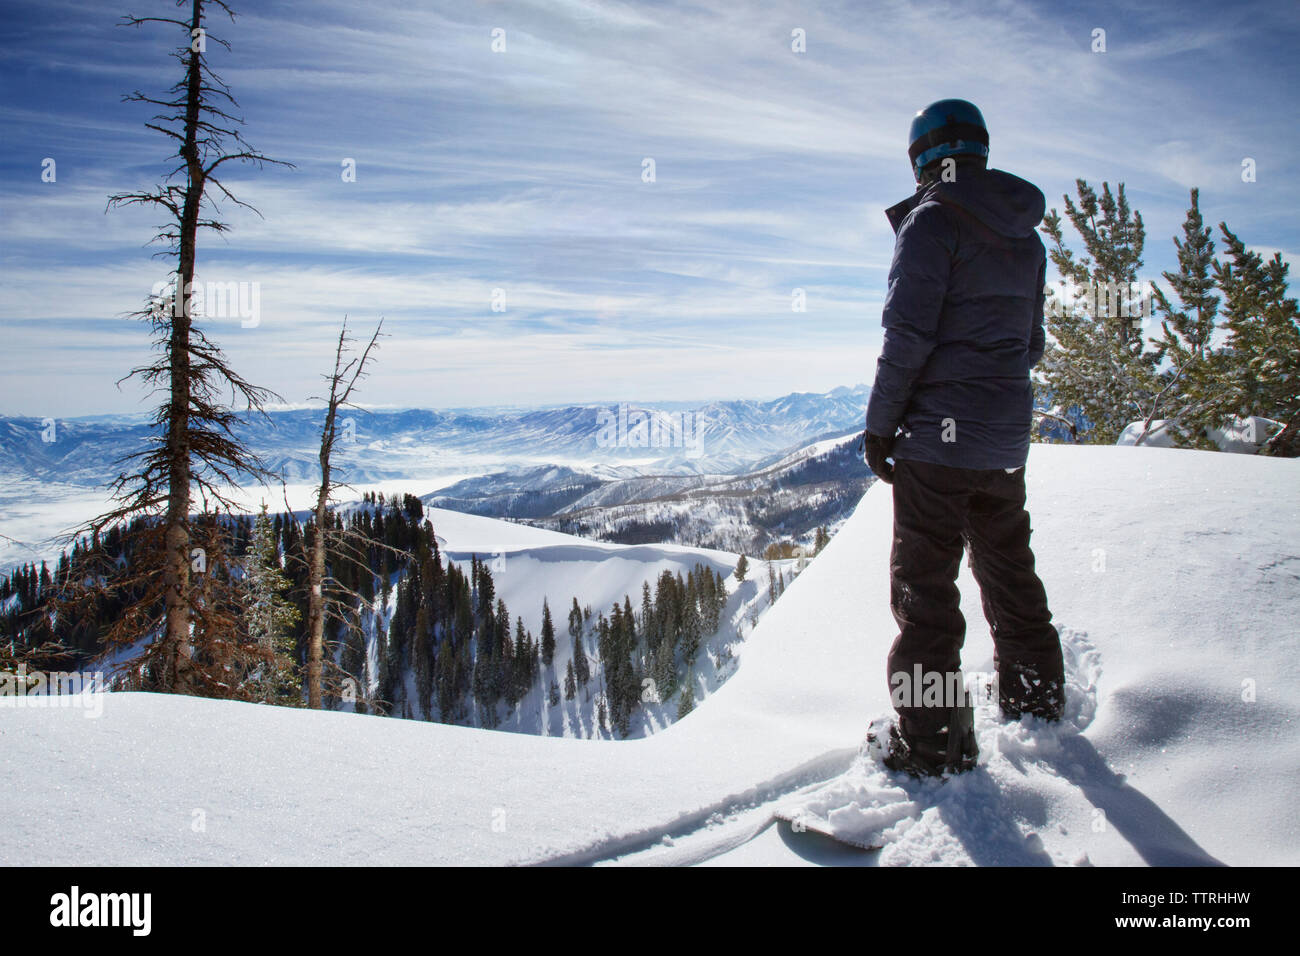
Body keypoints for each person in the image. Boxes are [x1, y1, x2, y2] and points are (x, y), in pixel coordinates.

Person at [861, 99, 1065, 778]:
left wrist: (880, 425)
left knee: (926, 597)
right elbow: (1030, 345)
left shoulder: (931, 222)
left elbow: (907, 338)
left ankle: (932, 746)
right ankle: (1036, 705)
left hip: (934, 448)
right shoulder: (1026, 238)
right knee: (1010, 571)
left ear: (921, 155)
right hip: (1004, 443)